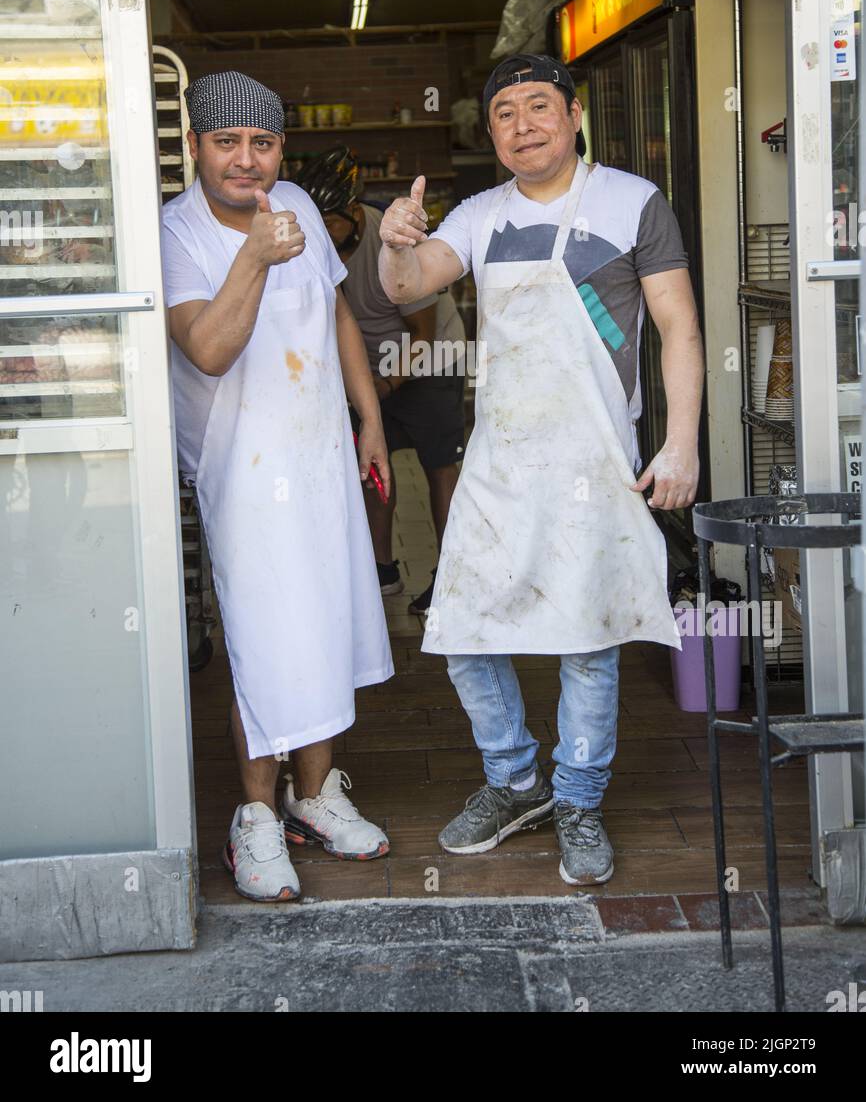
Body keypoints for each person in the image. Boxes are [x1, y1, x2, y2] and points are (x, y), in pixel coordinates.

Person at [378, 53, 704, 888]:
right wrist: (392, 244)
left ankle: (579, 799)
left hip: (598, 464)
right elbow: (409, 283)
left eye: (539, 106)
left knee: (588, 639)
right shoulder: (480, 216)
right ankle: (514, 778)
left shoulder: (632, 203)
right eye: (505, 115)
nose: (524, 125)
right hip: (500, 461)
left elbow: (680, 329)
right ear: (491, 135)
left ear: (574, 112)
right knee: (460, 627)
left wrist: (682, 444)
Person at [161, 71, 394, 904]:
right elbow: (210, 349)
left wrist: (368, 418)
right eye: (227, 142)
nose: (246, 161)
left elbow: (335, 315)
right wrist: (255, 256)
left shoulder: (292, 199)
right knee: (263, 635)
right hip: (242, 464)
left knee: (327, 619)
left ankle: (316, 795)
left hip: (318, 447)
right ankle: (256, 816)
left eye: (261, 144)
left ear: (280, 150)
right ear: (195, 147)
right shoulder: (177, 235)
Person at [295, 146, 466, 615]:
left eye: (329, 221)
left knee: (439, 466)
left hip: (428, 358)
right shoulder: (311, 246)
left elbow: (424, 336)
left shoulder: (390, 243)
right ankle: (382, 570)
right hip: (369, 367)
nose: (321, 233)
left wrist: (384, 386)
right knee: (373, 467)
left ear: (352, 211)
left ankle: (451, 578)